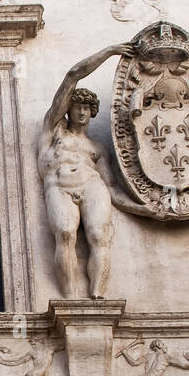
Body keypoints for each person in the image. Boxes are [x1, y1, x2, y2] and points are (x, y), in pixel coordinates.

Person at [40, 43, 135, 299]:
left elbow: (112, 187)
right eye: (76, 107)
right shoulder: (54, 132)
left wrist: (139, 208)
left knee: (98, 235)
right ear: (67, 110)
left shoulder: (97, 147)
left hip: (93, 186)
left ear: (92, 112)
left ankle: (97, 295)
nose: (81, 112)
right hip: (59, 185)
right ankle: (70, 298)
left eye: (86, 108)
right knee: (65, 232)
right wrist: (109, 52)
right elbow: (73, 75)